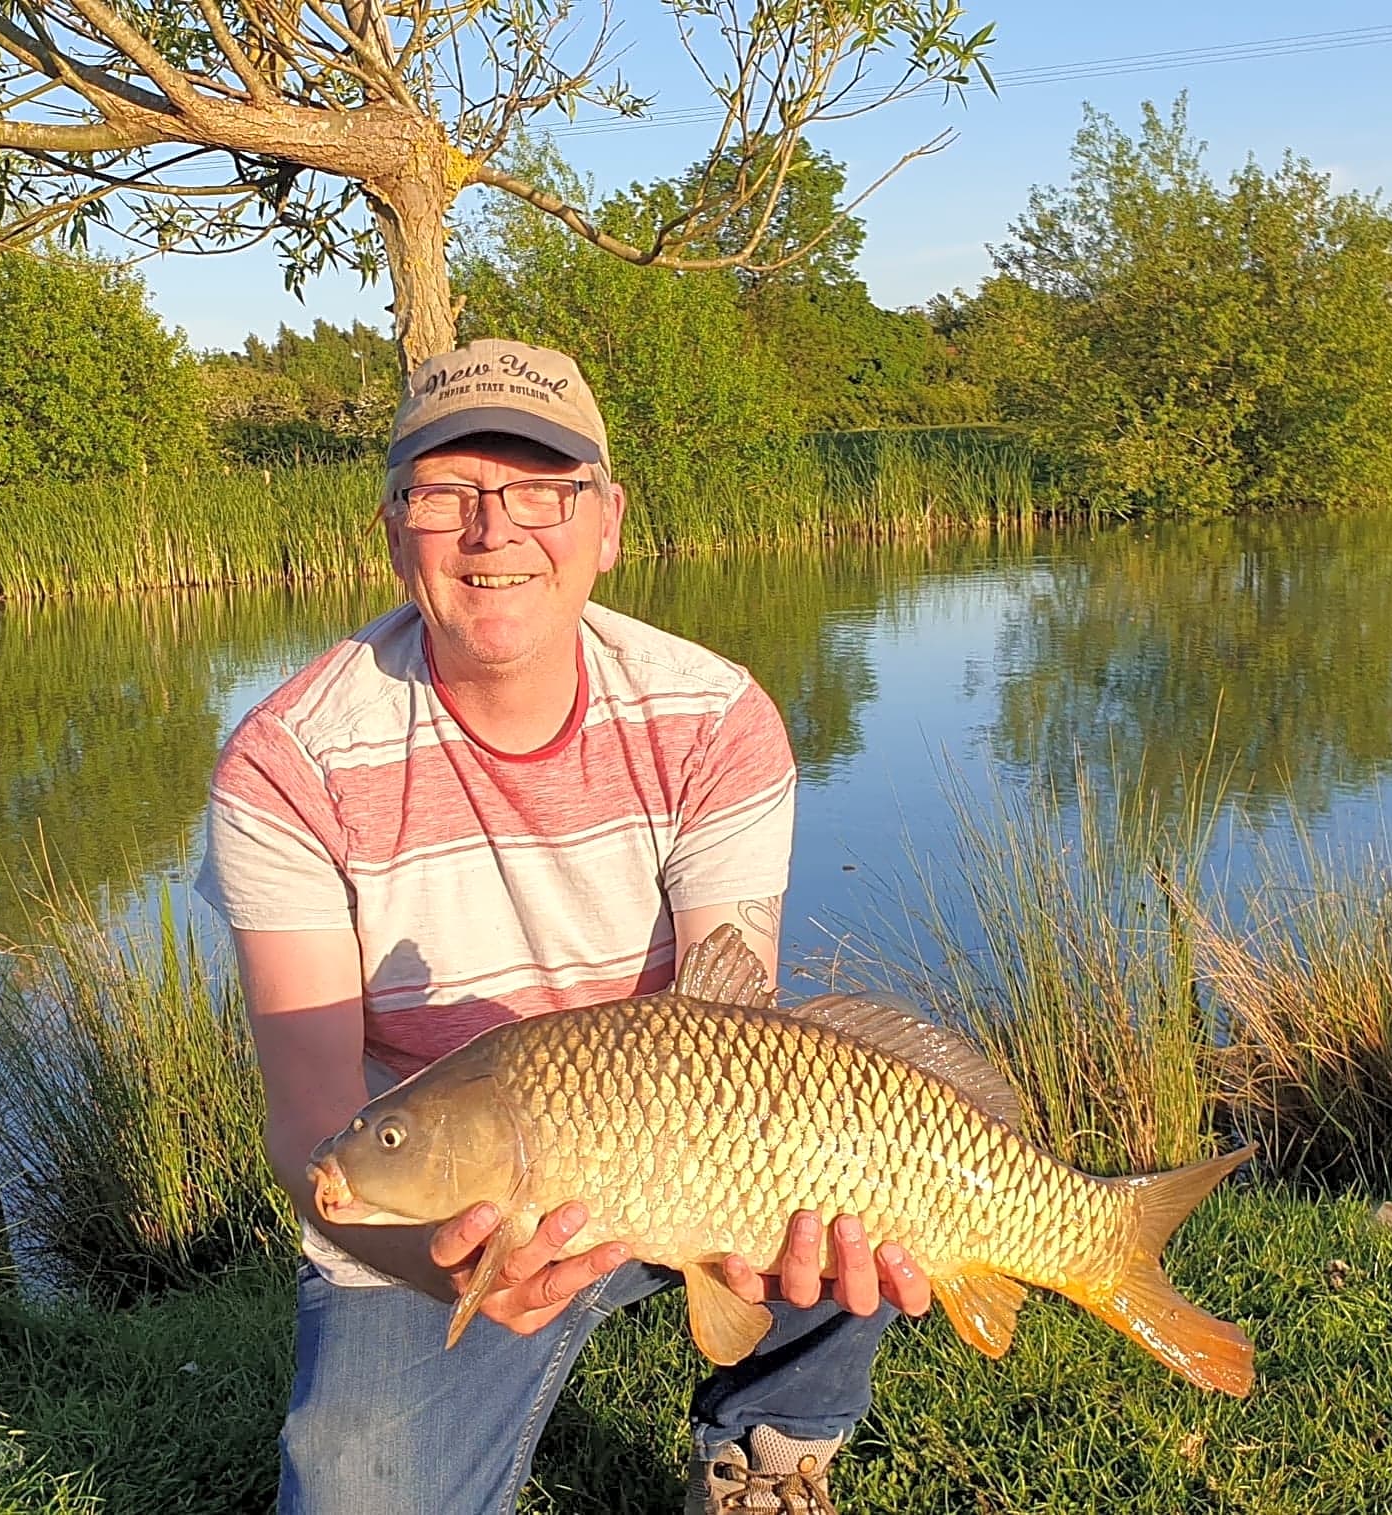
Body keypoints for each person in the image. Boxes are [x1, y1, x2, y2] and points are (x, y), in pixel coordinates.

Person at [196, 338, 931, 1515]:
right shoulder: (288, 763)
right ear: (394, 529)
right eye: (447, 494)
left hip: (683, 1148)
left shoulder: (713, 716)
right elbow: (309, 1131)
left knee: (836, 1157)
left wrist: (745, 1221)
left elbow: (735, 1027)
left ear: (607, 524)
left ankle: (772, 1446)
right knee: (357, 1494)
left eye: (542, 489)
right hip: (446, 1199)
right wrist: (447, 1272)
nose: (496, 530)